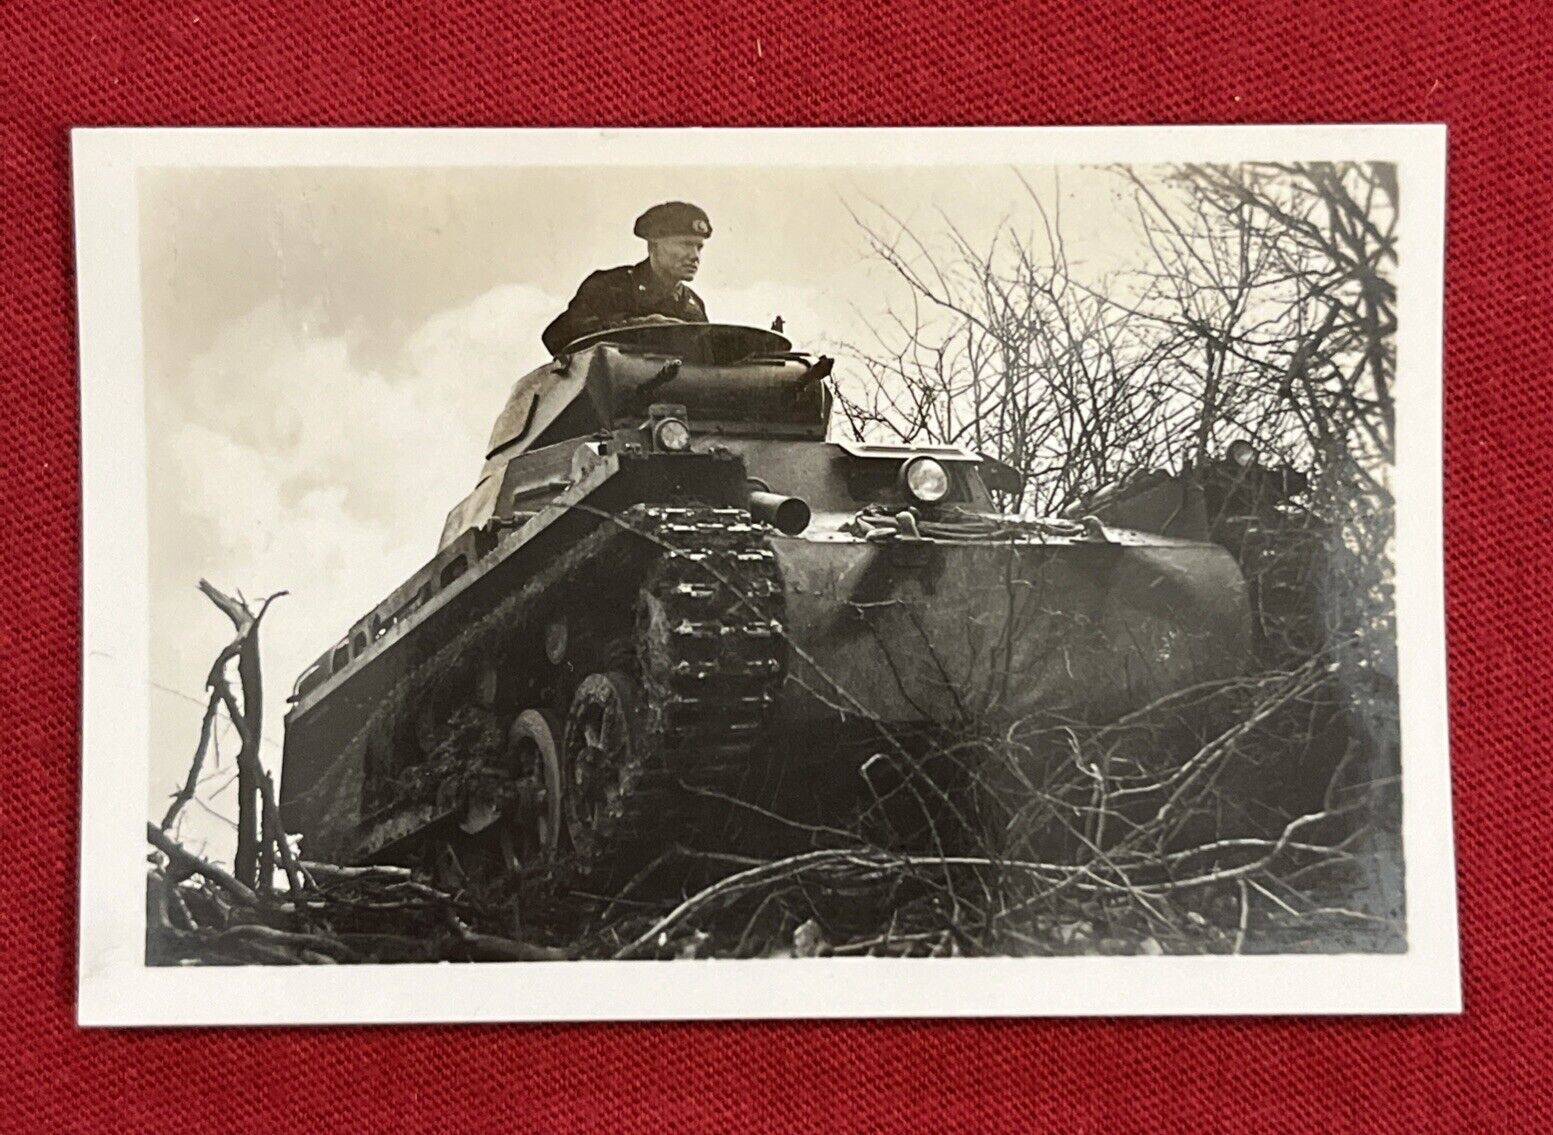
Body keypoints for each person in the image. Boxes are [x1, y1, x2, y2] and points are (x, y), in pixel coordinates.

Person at [541, 202, 712, 355]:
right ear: (654, 244)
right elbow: (556, 336)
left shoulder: (693, 307)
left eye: (699, 247)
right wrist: (635, 328)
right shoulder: (609, 287)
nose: (695, 256)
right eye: (685, 244)